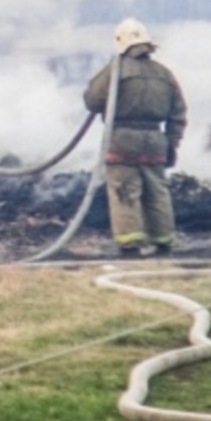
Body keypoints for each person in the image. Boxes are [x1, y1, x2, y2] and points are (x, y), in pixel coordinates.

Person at [83, 17, 187, 258]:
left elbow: (92, 100)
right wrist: (172, 144)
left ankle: (130, 245)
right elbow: (178, 112)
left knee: (124, 190)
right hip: (155, 139)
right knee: (157, 191)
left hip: (122, 139)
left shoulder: (116, 69)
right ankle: (163, 241)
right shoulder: (165, 74)